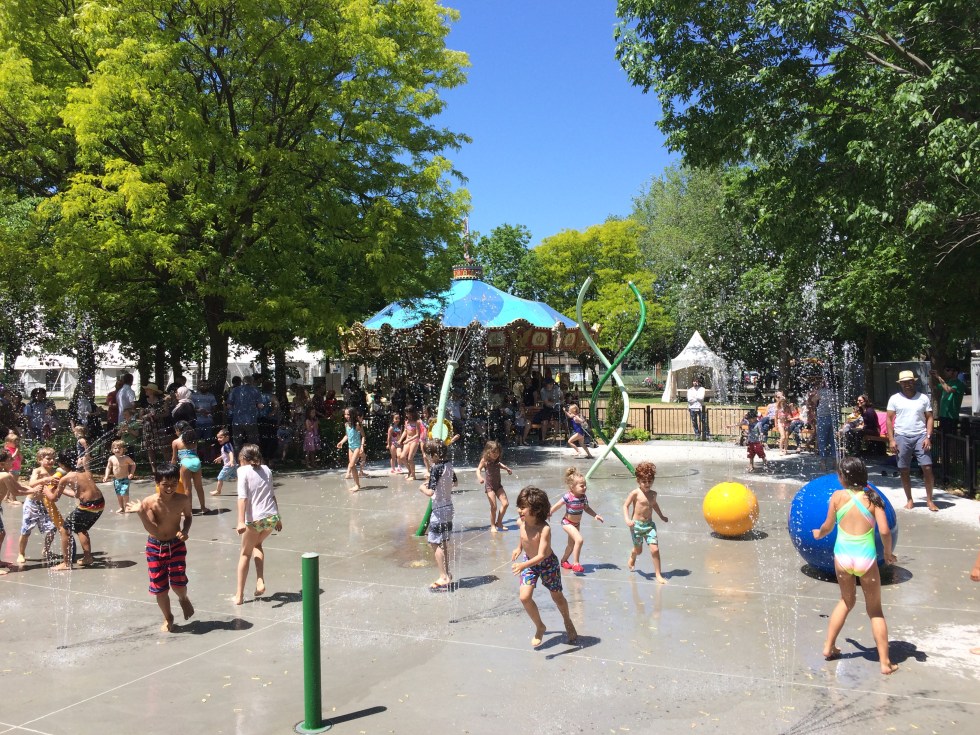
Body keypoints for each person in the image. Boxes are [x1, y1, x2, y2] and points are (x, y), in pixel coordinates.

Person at [812, 456, 898, 674]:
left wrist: (818, 534)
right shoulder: (874, 499)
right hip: (866, 559)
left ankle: (828, 646)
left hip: (842, 557)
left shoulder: (837, 497)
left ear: (841, 477)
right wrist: (888, 554)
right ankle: (885, 663)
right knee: (875, 610)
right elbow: (885, 531)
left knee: (845, 601)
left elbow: (827, 526)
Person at [511, 485, 578, 648]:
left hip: (547, 564)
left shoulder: (544, 529)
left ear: (536, 509)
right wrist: (519, 548)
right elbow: (523, 535)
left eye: (523, 507)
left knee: (557, 597)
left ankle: (567, 621)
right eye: (519, 506)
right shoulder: (521, 522)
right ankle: (540, 626)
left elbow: (541, 555)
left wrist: (522, 565)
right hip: (529, 563)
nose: (520, 510)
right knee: (524, 597)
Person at [132, 463, 194, 632]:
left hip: (176, 545)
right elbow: (153, 529)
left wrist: (185, 530)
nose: (169, 488)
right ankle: (168, 617)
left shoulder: (183, 499)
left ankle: (183, 598)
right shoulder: (149, 503)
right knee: (160, 588)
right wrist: (140, 513)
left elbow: (188, 516)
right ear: (157, 483)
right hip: (155, 548)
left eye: (174, 483)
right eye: (165, 484)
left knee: (178, 582)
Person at [234, 444, 281, 605]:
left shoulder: (242, 471)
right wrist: (278, 518)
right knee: (257, 544)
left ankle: (239, 596)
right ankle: (260, 580)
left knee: (245, 554)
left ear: (243, 459)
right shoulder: (267, 469)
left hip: (255, 519)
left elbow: (242, 497)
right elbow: (272, 495)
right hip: (271, 517)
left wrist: (240, 521)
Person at [886, 370, 937, 512]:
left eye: (909, 382)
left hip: (920, 436)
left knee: (927, 467)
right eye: (904, 382)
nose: (907, 385)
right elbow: (889, 419)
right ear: (900, 384)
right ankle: (909, 499)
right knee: (904, 469)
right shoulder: (894, 399)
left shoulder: (923, 398)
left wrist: (928, 436)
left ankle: (930, 500)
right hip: (902, 436)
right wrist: (891, 439)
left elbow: (930, 418)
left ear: (914, 382)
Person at [54, 449, 105, 569]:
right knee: (81, 528)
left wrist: (46, 489)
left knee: (65, 529)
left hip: (88, 506)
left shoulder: (66, 478)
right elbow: (77, 494)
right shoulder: (85, 472)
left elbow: (54, 498)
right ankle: (87, 558)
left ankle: (66, 563)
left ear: (61, 465)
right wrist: (61, 488)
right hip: (100, 503)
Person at [550, 467, 604, 573]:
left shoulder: (583, 497)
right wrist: (549, 512)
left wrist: (595, 515)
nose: (584, 488)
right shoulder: (568, 497)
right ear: (572, 487)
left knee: (571, 545)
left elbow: (587, 508)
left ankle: (564, 561)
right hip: (567, 523)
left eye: (585, 485)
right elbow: (557, 505)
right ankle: (576, 563)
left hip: (576, 524)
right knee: (579, 540)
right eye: (581, 486)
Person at [623, 461, 669, 583]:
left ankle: (658, 575)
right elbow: (625, 506)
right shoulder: (635, 493)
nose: (647, 484)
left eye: (650, 481)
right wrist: (627, 519)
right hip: (636, 526)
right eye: (644, 481)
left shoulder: (653, 494)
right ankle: (633, 555)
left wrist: (661, 516)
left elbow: (654, 505)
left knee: (655, 549)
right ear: (638, 481)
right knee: (639, 550)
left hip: (649, 526)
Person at [419, 439, 455, 591]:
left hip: (439, 509)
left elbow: (430, 492)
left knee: (434, 542)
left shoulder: (436, 468)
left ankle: (443, 576)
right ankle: (447, 573)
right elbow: (454, 483)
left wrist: (421, 487)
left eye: (428, 454)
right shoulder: (448, 465)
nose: (427, 457)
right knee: (444, 541)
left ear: (434, 455)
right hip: (449, 507)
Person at [17, 447, 61, 565]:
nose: (51, 461)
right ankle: (21, 553)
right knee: (26, 530)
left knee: (52, 528)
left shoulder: (55, 472)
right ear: (40, 460)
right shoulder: (37, 471)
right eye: (48, 459)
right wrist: (46, 479)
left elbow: (55, 488)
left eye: (53, 459)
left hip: (45, 504)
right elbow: (31, 484)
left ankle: (46, 550)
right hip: (32, 504)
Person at [0, 449, 31, 573]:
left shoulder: (6, 474)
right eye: (10, 459)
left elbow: (20, 487)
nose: (13, 460)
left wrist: (35, 487)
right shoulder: (5, 475)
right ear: (1, 464)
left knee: (1, 534)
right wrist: (36, 491)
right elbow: (16, 492)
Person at [171, 422, 209, 514]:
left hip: (185, 463)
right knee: (199, 487)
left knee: (187, 489)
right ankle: (203, 508)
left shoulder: (176, 442)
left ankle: (188, 510)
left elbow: (174, 458)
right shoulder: (193, 440)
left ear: (178, 431)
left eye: (175, 430)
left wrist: (171, 467)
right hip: (196, 462)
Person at [477, 440, 513, 532]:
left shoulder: (496, 460)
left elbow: (499, 464)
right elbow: (478, 469)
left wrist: (506, 468)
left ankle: (499, 522)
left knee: (505, 504)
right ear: (488, 452)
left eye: (497, 452)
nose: (496, 454)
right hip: (490, 487)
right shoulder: (484, 460)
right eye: (493, 452)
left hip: (498, 486)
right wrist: (480, 477)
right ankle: (493, 525)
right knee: (494, 507)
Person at [522, 378, 562, 444]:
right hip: (547, 408)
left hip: (557, 409)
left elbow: (562, 397)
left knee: (556, 421)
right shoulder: (543, 390)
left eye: (551, 384)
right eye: (548, 384)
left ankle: (554, 440)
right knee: (544, 421)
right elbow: (546, 403)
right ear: (545, 385)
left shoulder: (557, 388)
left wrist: (559, 403)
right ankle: (543, 440)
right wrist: (556, 403)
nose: (550, 386)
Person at [810, 377, 838, 471]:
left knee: (822, 441)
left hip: (823, 417)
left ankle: (823, 463)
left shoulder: (822, 391)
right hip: (834, 418)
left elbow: (813, 400)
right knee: (833, 441)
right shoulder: (838, 392)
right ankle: (835, 462)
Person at [104, 439, 137, 513]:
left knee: (124, 494)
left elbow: (133, 464)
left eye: (119, 448)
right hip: (116, 480)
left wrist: (131, 473)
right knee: (119, 495)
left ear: (123, 449)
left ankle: (127, 507)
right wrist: (106, 476)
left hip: (125, 479)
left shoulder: (126, 458)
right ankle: (121, 507)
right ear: (112, 449)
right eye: (115, 448)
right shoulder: (111, 458)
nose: (117, 450)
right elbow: (108, 467)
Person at [932, 365, 966, 435]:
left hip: (951, 417)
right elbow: (933, 386)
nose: (945, 372)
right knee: (942, 437)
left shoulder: (959, 384)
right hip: (942, 415)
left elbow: (948, 389)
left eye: (947, 370)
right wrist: (931, 376)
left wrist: (938, 377)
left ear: (955, 372)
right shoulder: (947, 382)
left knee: (951, 437)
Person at [336, 407, 364, 491]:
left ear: (352, 414)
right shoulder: (346, 424)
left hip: (357, 447)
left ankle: (357, 485)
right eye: (345, 414)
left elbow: (363, 436)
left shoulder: (357, 424)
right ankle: (357, 484)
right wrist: (341, 442)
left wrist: (362, 446)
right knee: (352, 467)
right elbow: (347, 435)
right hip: (350, 447)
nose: (346, 416)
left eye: (348, 414)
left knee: (351, 465)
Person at [398, 406, 423, 481]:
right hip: (407, 440)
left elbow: (417, 435)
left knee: (410, 458)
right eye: (406, 413)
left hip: (414, 441)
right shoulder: (406, 421)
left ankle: (413, 475)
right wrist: (400, 440)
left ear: (412, 413)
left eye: (408, 413)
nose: (407, 414)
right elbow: (405, 431)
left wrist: (408, 440)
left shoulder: (417, 422)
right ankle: (410, 471)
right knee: (402, 457)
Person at [212, 428, 238, 496]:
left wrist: (231, 461)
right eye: (218, 438)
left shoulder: (226, 446)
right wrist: (220, 458)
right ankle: (245, 488)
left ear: (227, 437)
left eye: (221, 437)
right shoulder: (227, 444)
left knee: (220, 477)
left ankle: (218, 491)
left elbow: (230, 453)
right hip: (233, 464)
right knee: (237, 477)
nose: (219, 439)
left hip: (229, 465)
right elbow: (225, 454)